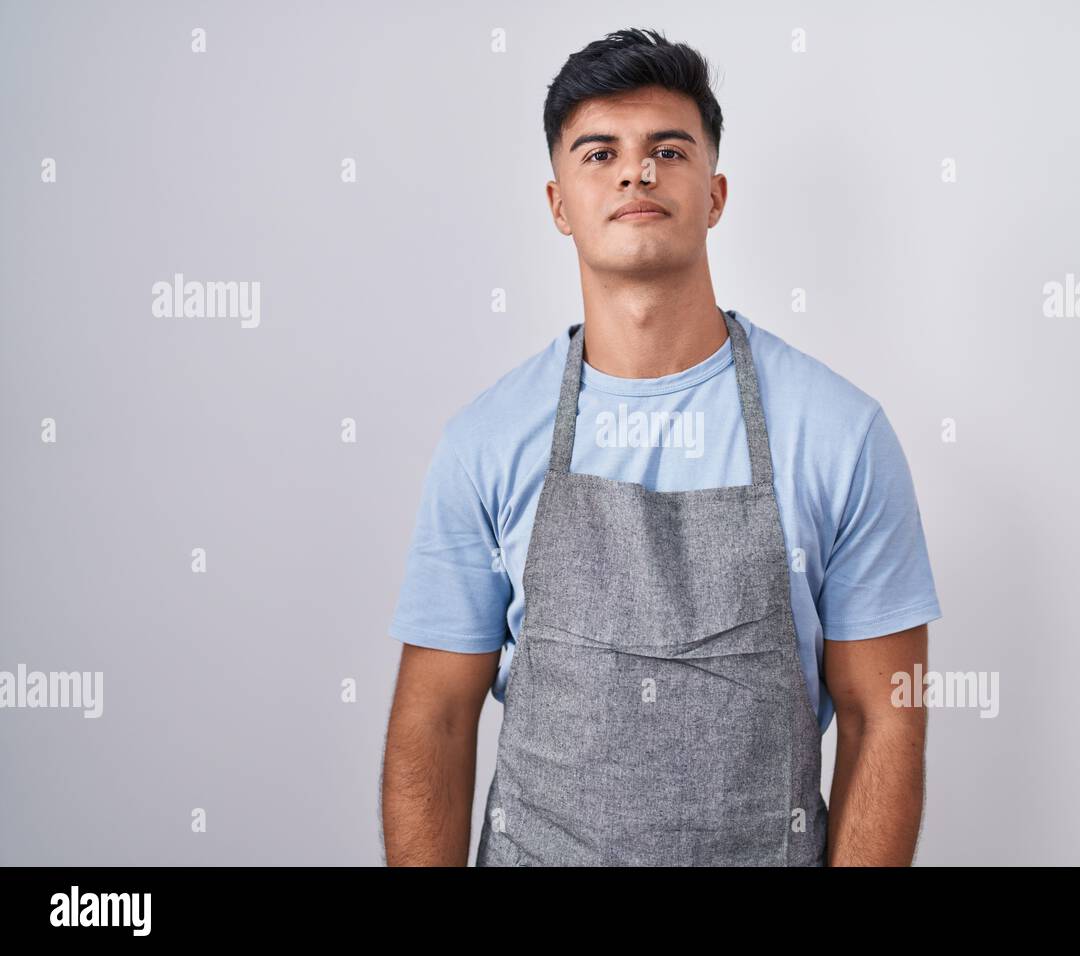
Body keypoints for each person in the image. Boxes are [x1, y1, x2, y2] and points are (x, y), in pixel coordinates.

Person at [380, 27, 941, 867]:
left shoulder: (839, 432)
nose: (636, 172)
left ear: (715, 195)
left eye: (667, 150)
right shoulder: (486, 441)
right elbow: (436, 718)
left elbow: (884, 717)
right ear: (559, 202)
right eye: (600, 152)